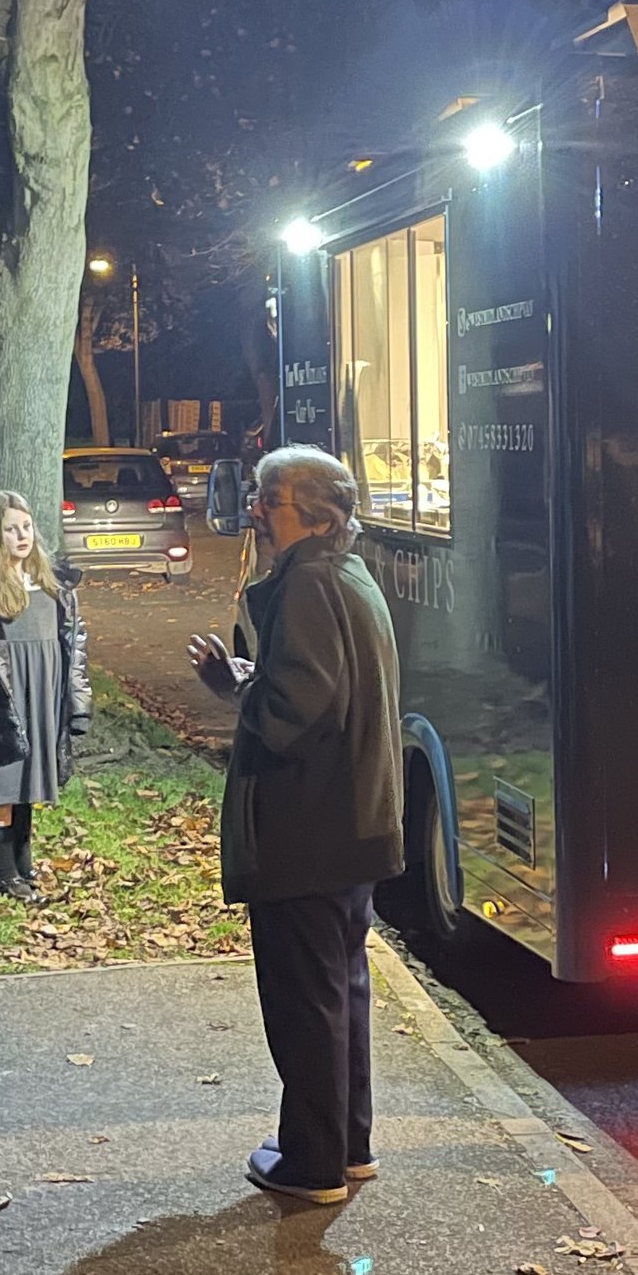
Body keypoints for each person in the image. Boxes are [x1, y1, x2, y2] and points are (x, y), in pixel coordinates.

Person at [191, 444, 401, 1205]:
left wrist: (236, 690)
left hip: (307, 829)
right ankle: (348, 1144)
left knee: (304, 1003)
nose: (254, 510)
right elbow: (324, 691)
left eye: (268, 499)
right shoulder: (345, 576)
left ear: (319, 516)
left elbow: (294, 715)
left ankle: (313, 1163)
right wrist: (253, 676)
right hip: (349, 828)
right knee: (339, 991)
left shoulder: (308, 583)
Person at [0, 490, 90, 899]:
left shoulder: (53, 583)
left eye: (26, 527)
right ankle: (2, 875)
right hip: (2, 697)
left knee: (28, 781)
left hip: (43, 694)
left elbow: (75, 646)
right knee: (0, 780)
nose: (22, 536)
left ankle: (21, 867)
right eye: (11, 529)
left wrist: (78, 705)